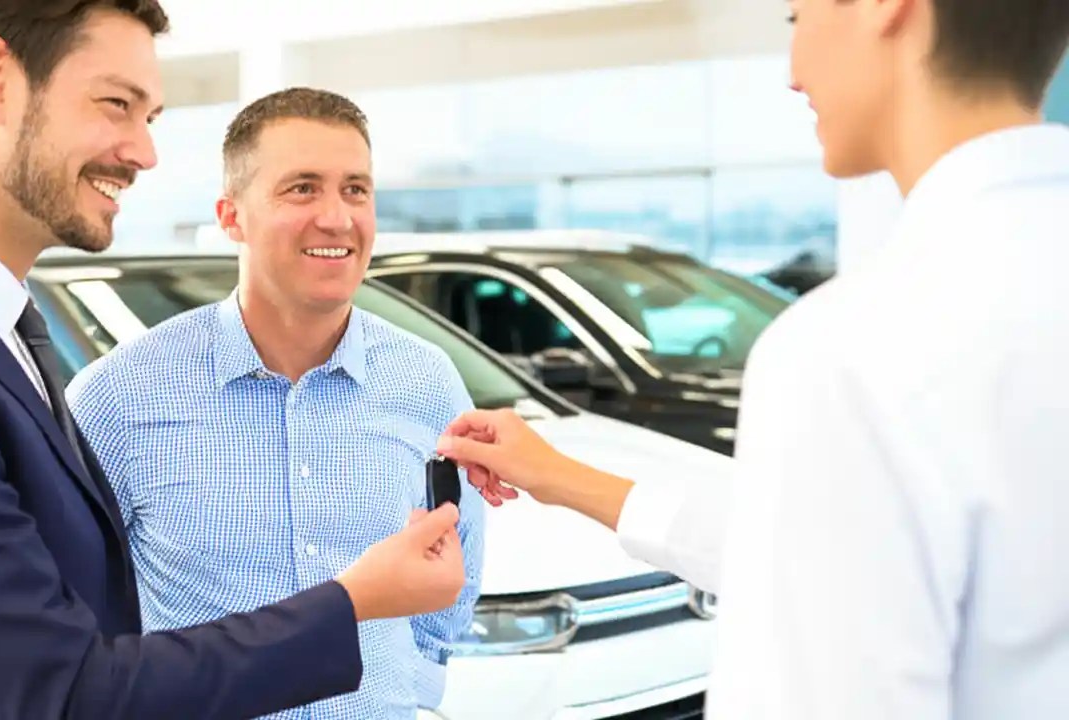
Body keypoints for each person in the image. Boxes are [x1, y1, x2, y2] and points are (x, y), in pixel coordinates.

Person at [0, 3, 467, 719]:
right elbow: (67, 691)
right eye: (117, 105)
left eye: (151, 119)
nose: (145, 153)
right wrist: (354, 602)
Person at [436, 0, 1069, 718]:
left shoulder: (854, 346)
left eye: (796, 19)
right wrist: (564, 477)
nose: (793, 75)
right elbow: (824, 551)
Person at [66, 87, 486, 719]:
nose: (338, 218)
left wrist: (407, 697)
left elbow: (450, 599)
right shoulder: (119, 397)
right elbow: (74, 619)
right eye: (302, 188)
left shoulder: (427, 383)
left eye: (355, 189)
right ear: (231, 216)